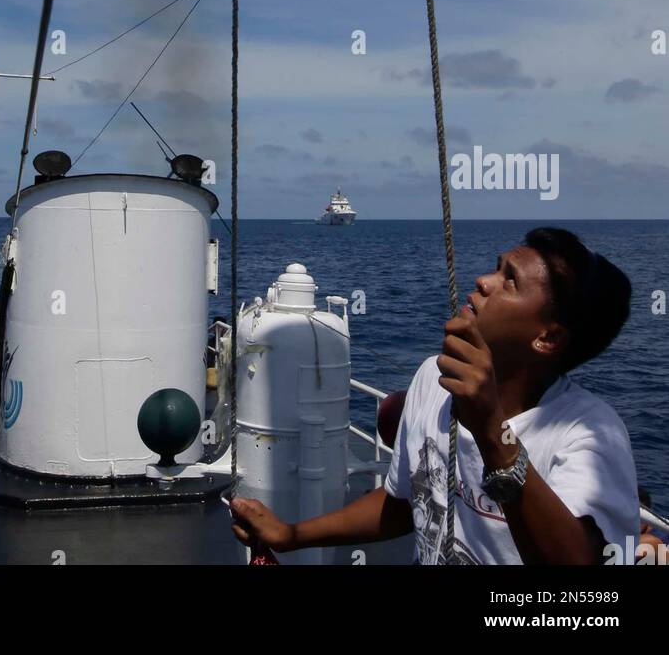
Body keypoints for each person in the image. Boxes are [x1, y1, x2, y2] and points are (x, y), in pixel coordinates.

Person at [231, 227, 639, 565]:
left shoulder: (589, 433)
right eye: (496, 268)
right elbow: (405, 503)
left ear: (548, 337)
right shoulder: (433, 376)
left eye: (509, 279)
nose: (483, 281)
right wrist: (291, 534)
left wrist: (493, 432)